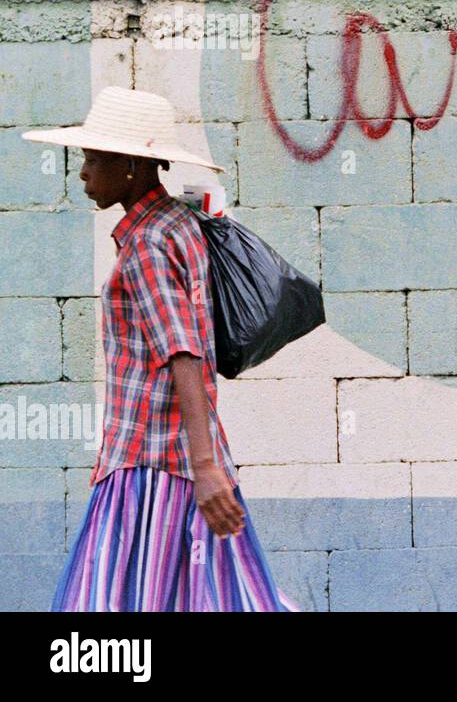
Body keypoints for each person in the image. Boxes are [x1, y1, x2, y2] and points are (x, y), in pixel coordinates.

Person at [23, 86, 299, 611]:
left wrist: (203, 464)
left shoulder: (150, 243)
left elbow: (183, 351)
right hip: (176, 461)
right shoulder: (177, 224)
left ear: (130, 165)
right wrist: (207, 462)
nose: (82, 172)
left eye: (92, 158)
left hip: (151, 465)